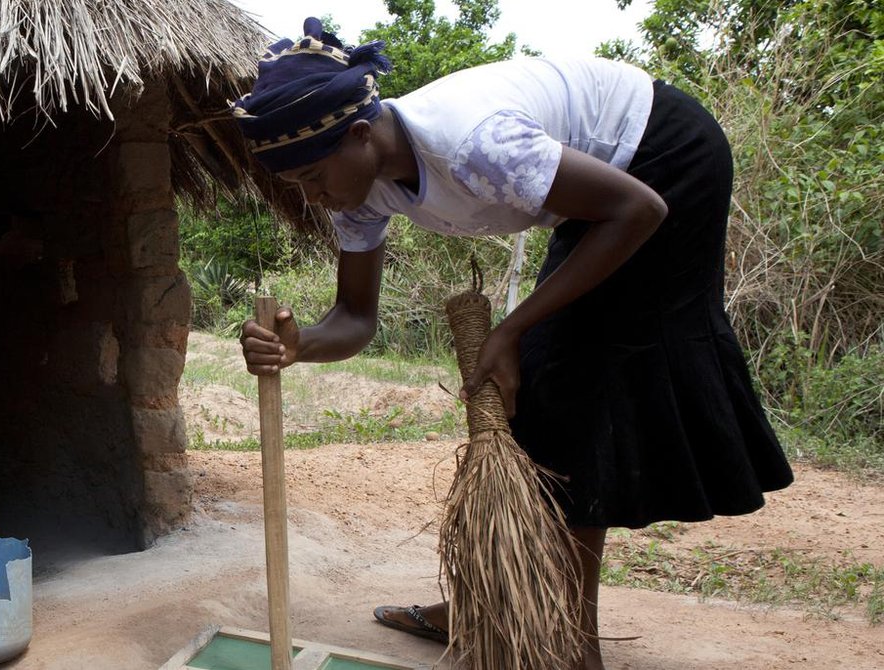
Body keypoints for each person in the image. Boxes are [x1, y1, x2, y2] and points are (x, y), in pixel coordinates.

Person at [233, 17, 794, 670]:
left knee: (577, 391)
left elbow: (638, 210)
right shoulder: (355, 191)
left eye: (310, 176)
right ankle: (486, 603)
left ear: (360, 134)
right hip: (605, 194)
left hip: (664, 163)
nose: (310, 196)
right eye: (295, 184)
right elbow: (354, 319)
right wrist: (300, 346)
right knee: (550, 386)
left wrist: (511, 329)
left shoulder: (472, 143)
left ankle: (571, 643)